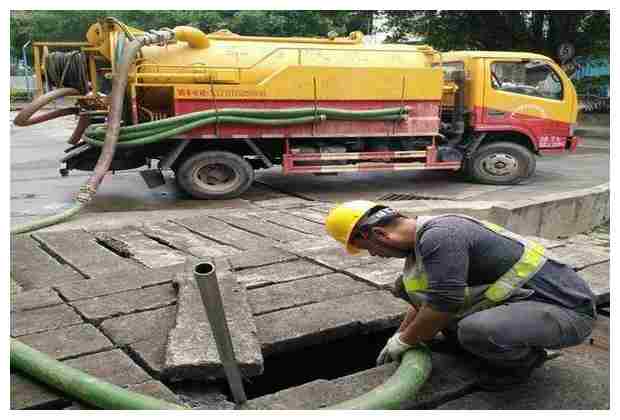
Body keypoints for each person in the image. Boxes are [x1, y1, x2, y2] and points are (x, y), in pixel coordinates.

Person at [325, 200, 597, 390]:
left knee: (476, 330)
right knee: (404, 285)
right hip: (523, 299)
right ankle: (470, 348)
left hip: (568, 311)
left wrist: (407, 341)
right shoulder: (424, 240)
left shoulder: (441, 236)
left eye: (368, 248)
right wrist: (400, 335)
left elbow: (443, 304)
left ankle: (522, 363)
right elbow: (426, 299)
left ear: (379, 234)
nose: (374, 255)